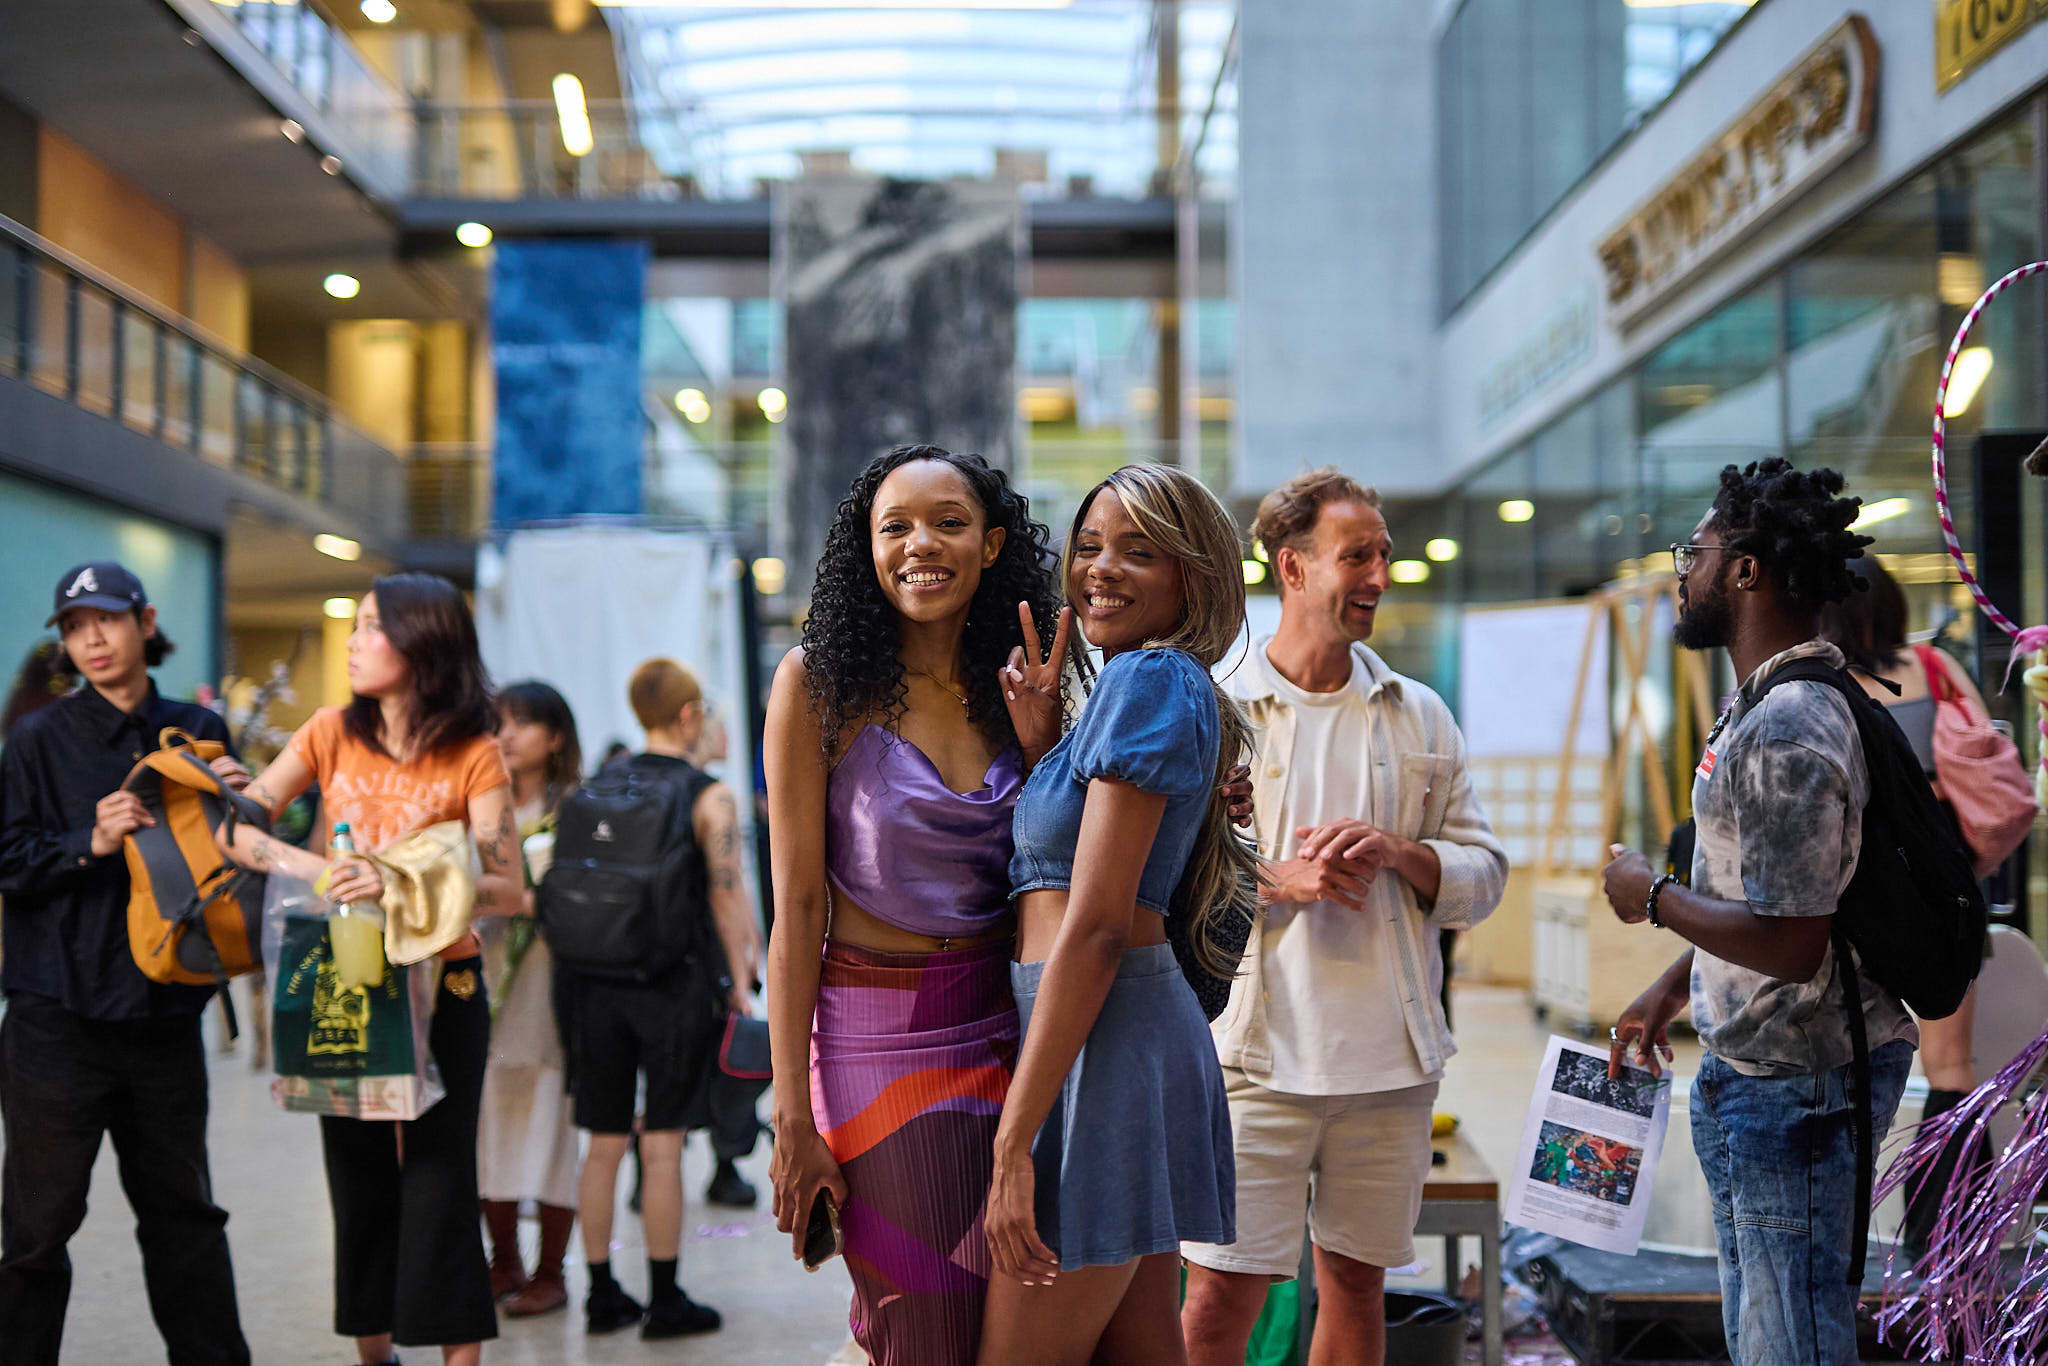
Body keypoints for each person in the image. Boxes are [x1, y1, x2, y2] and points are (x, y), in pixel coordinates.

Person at [1180, 469, 1508, 1366]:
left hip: (1388, 1065)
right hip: (1252, 1059)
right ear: (1291, 565)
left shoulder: (1418, 715)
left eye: (1385, 555)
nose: (1378, 574)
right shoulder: (1216, 705)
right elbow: (1153, 875)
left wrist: (1405, 854)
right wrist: (1272, 880)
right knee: (1220, 1295)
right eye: (1356, 555)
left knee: (1358, 1286)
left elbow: (1486, 874)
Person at [1602, 460, 1915, 1366]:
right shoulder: (1771, 706)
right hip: (1773, 1075)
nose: (1681, 571)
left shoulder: (1785, 731)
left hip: (1798, 1087)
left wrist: (1651, 896)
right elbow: (1774, 897)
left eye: (1693, 553)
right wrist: (1675, 984)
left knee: (1790, 1345)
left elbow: (1791, 939)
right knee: (1767, 1334)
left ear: (1745, 570)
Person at [765, 443, 1066, 1366]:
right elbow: (797, 908)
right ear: (867, 546)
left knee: (1001, 1319)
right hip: (872, 1035)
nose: (918, 545)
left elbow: (1069, 850)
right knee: (921, 1318)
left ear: (992, 542)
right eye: (893, 526)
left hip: (1003, 1021)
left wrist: (1047, 741)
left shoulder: (1025, 682)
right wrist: (790, 1115)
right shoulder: (817, 685)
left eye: (947, 522)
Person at [979, 462, 1254, 1366]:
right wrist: (1043, 750)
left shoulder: (1149, 679)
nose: (1101, 568)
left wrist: (1013, 1144)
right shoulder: (1139, 691)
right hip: (1108, 1037)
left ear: (1194, 575)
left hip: (1101, 1041)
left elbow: (1097, 925)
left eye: (1140, 551)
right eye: (1089, 547)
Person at [218, 572, 524, 1366]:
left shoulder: (475, 752)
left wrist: (400, 877)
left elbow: (508, 887)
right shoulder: (327, 731)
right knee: (354, 1177)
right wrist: (319, 871)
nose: (351, 643)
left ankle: (459, 1356)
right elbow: (236, 831)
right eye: (354, 628)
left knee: (439, 1177)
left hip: (444, 986)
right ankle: (375, 1355)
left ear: (423, 642)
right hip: (346, 981)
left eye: (369, 628)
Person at [0, 562, 253, 1366]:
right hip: (54, 1022)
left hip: (163, 1016)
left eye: (105, 620)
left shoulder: (196, 729)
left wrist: (242, 806)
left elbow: (241, 865)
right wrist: (92, 843)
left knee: (186, 1220)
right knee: (36, 1233)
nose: (91, 640)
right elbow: (9, 860)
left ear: (145, 622)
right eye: (74, 629)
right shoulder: (37, 737)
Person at [560, 656, 758, 1340]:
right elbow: (726, 893)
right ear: (687, 715)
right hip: (672, 987)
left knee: (603, 1145)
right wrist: (741, 978)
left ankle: (599, 1294)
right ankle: (666, 1299)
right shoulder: (708, 795)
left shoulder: (595, 785)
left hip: (591, 986)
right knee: (664, 1146)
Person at [1817, 558, 1993, 1258]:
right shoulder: (1934, 667)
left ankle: (1843, 1237)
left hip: (1845, 899)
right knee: (1951, 1069)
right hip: (1940, 892)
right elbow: (1987, 763)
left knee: (1839, 1063)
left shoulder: (1810, 687)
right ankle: (1946, 1243)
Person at [477, 681, 584, 1316]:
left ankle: (550, 1271)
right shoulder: (478, 804)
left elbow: (575, 901)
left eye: (521, 723)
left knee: (550, 1124)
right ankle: (502, 1263)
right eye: (498, 723)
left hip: (550, 991)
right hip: (481, 984)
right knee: (487, 1123)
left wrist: (510, 897)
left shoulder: (577, 808)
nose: (506, 735)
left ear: (556, 737)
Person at [684, 697, 770, 1207]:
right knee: (729, 1058)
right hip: (710, 954)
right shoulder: (712, 797)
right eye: (722, 728)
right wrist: (746, 963)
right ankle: (725, 1165)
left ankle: (650, 1179)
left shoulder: (667, 791)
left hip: (671, 955)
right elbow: (728, 888)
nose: (730, 738)